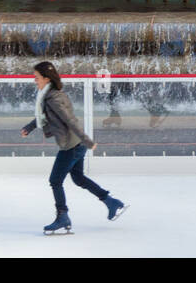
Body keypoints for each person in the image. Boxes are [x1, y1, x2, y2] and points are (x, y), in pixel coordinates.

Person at [21, 61, 126, 235]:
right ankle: (111, 202)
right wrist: (30, 127)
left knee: (55, 181)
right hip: (76, 144)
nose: (35, 81)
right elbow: (44, 116)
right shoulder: (51, 95)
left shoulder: (53, 98)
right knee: (78, 178)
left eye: (37, 78)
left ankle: (62, 216)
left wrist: (88, 141)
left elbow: (70, 120)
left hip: (72, 145)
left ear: (47, 79)